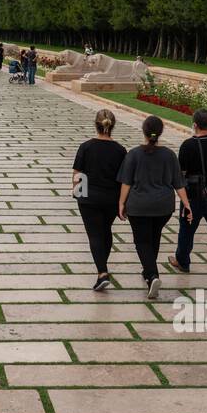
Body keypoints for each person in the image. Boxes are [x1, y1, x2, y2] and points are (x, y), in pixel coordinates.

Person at [117, 115, 190, 299]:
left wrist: (121, 203)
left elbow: (126, 182)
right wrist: (187, 204)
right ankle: (148, 269)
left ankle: (152, 275)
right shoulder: (169, 154)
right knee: (154, 236)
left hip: (139, 204)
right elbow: (178, 183)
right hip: (163, 206)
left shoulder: (133, 154)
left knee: (141, 241)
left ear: (144, 130)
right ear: (160, 132)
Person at [168, 110, 207, 291]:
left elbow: (181, 173)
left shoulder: (188, 145)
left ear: (195, 125)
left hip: (194, 196)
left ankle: (183, 260)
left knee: (187, 229)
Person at [72, 109, 128, 291]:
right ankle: (102, 266)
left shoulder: (86, 147)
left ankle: (102, 272)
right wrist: (122, 202)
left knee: (95, 234)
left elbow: (77, 175)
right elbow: (123, 179)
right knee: (105, 231)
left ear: (95, 124)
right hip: (111, 198)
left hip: (89, 197)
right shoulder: (120, 150)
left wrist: (78, 195)